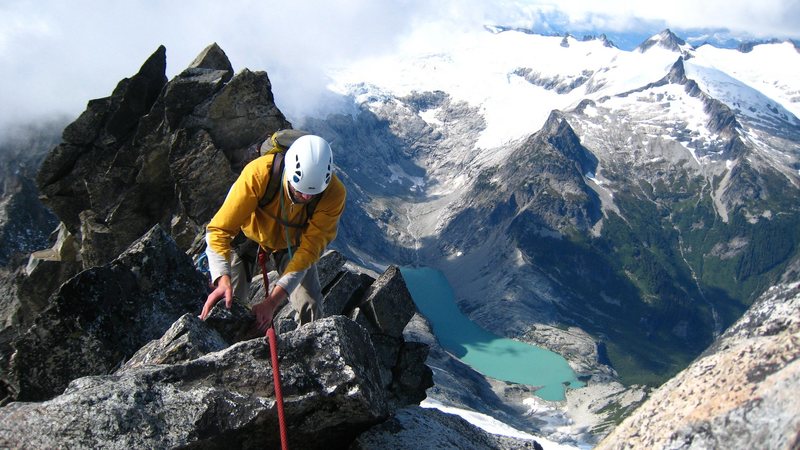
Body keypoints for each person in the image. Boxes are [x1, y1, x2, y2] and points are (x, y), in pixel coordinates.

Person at [199, 134, 346, 331]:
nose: (306, 197)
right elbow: (219, 230)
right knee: (228, 301)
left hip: (292, 244)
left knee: (310, 304)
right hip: (248, 236)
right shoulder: (259, 173)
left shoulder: (333, 194)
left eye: (312, 194)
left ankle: (308, 347)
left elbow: (309, 251)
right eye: (299, 190)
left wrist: (271, 303)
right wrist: (222, 279)